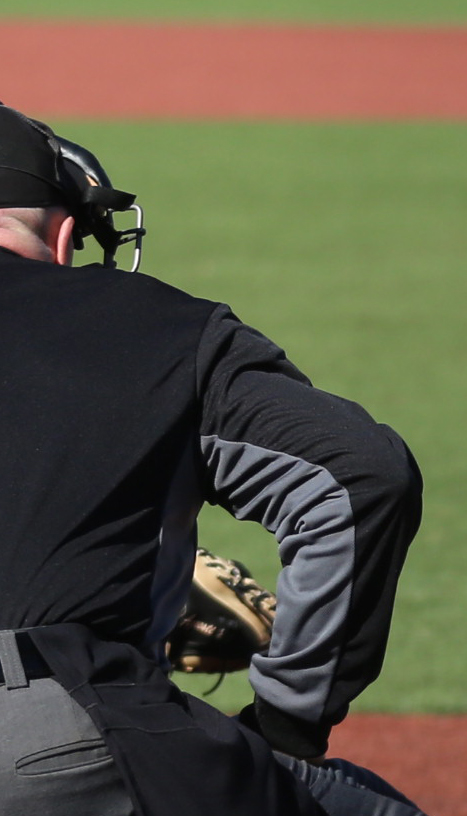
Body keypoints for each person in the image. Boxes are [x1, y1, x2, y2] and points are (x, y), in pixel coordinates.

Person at [0, 104, 429, 816]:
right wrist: (285, 727)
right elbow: (359, 477)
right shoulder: (149, 329)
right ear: (65, 231)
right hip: (54, 736)